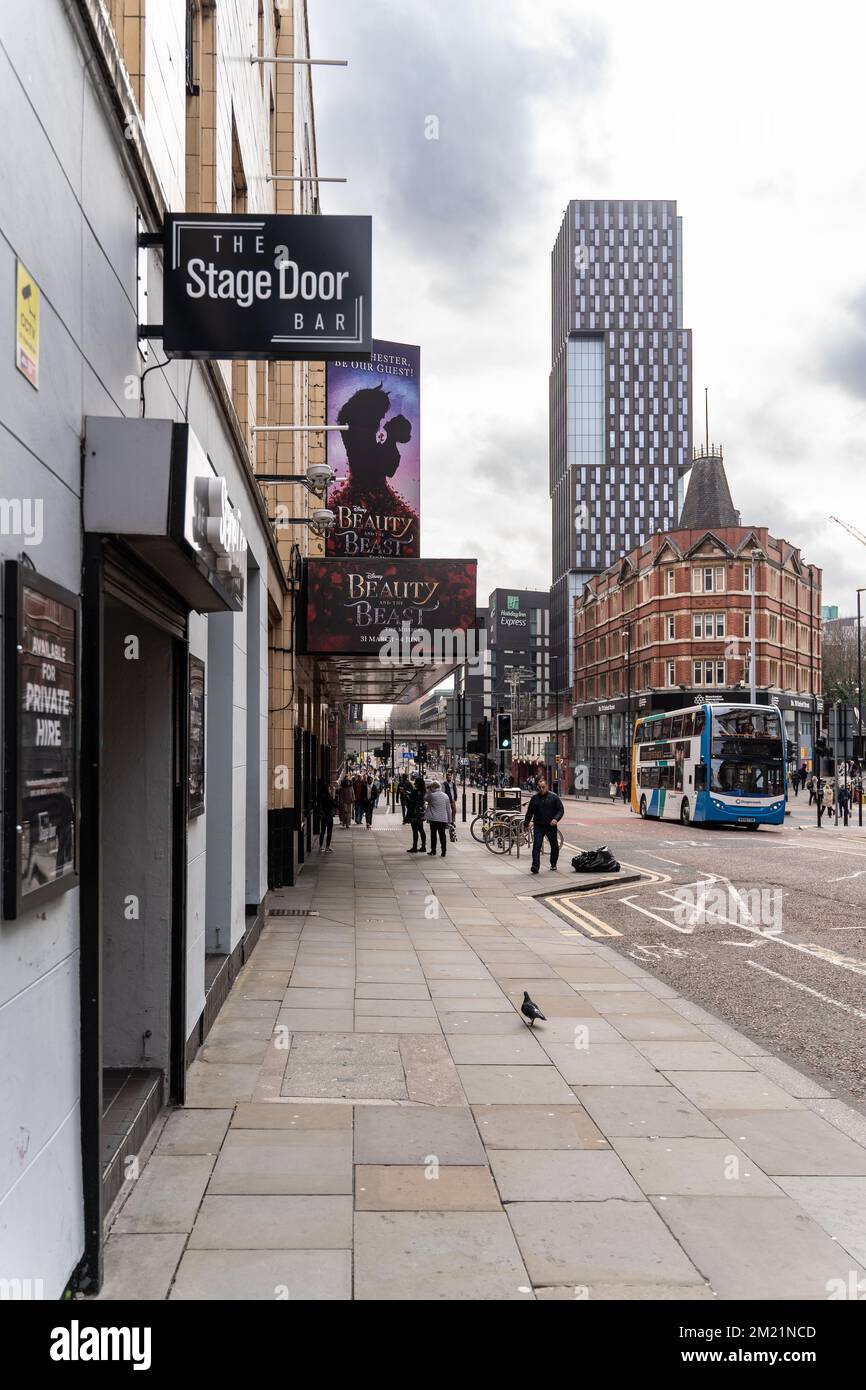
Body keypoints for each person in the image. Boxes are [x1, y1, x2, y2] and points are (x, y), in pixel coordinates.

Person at [523, 776, 564, 874]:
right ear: (537, 787)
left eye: (543, 787)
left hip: (551, 826)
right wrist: (526, 824)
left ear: (547, 787)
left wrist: (556, 819)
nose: (541, 789)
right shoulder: (534, 799)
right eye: (540, 787)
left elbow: (561, 810)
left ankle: (553, 864)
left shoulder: (554, 797)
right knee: (536, 846)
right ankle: (535, 866)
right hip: (539, 825)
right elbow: (529, 813)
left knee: (554, 845)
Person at [425, 779, 453, 857]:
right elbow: (448, 809)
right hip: (443, 819)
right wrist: (449, 821)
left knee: (433, 835)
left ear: (432, 787)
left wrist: (428, 790)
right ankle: (443, 851)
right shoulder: (445, 796)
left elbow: (425, 798)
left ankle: (433, 850)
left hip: (433, 819)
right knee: (442, 835)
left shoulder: (431, 795)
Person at [406, 776, 427, 853]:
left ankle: (415, 847)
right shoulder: (423, 791)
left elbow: (414, 801)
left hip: (415, 812)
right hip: (421, 812)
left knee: (415, 830)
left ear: (418, 783)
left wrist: (408, 797)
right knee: (421, 829)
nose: (414, 784)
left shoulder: (417, 791)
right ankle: (423, 846)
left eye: (415, 782)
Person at [316, 780, 337, 852]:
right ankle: (327, 847)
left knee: (322, 831)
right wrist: (333, 794)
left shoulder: (320, 796)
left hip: (323, 816)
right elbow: (334, 804)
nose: (329, 789)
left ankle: (320, 846)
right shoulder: (328, 796)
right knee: (329, 832)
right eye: (329, 788)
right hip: (329, 815)